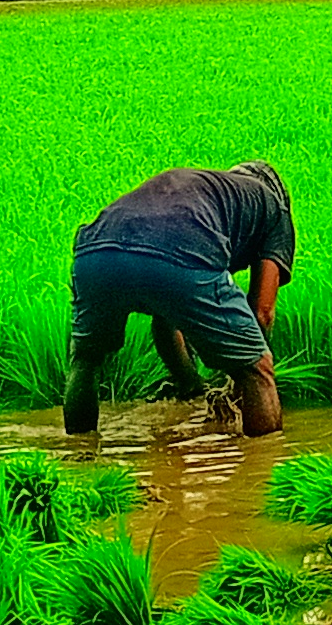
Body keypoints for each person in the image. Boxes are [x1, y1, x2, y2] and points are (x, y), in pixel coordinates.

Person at [66, 162, 293, 437]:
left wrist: (193, 387)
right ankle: (264, 470)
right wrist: (246, 367)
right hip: (181, 249)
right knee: (258, 370)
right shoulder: (273, 207)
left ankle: (79, 461)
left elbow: (167, 317)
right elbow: (262, 311)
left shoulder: (206, 193)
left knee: (85, 359)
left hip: (95, 253)